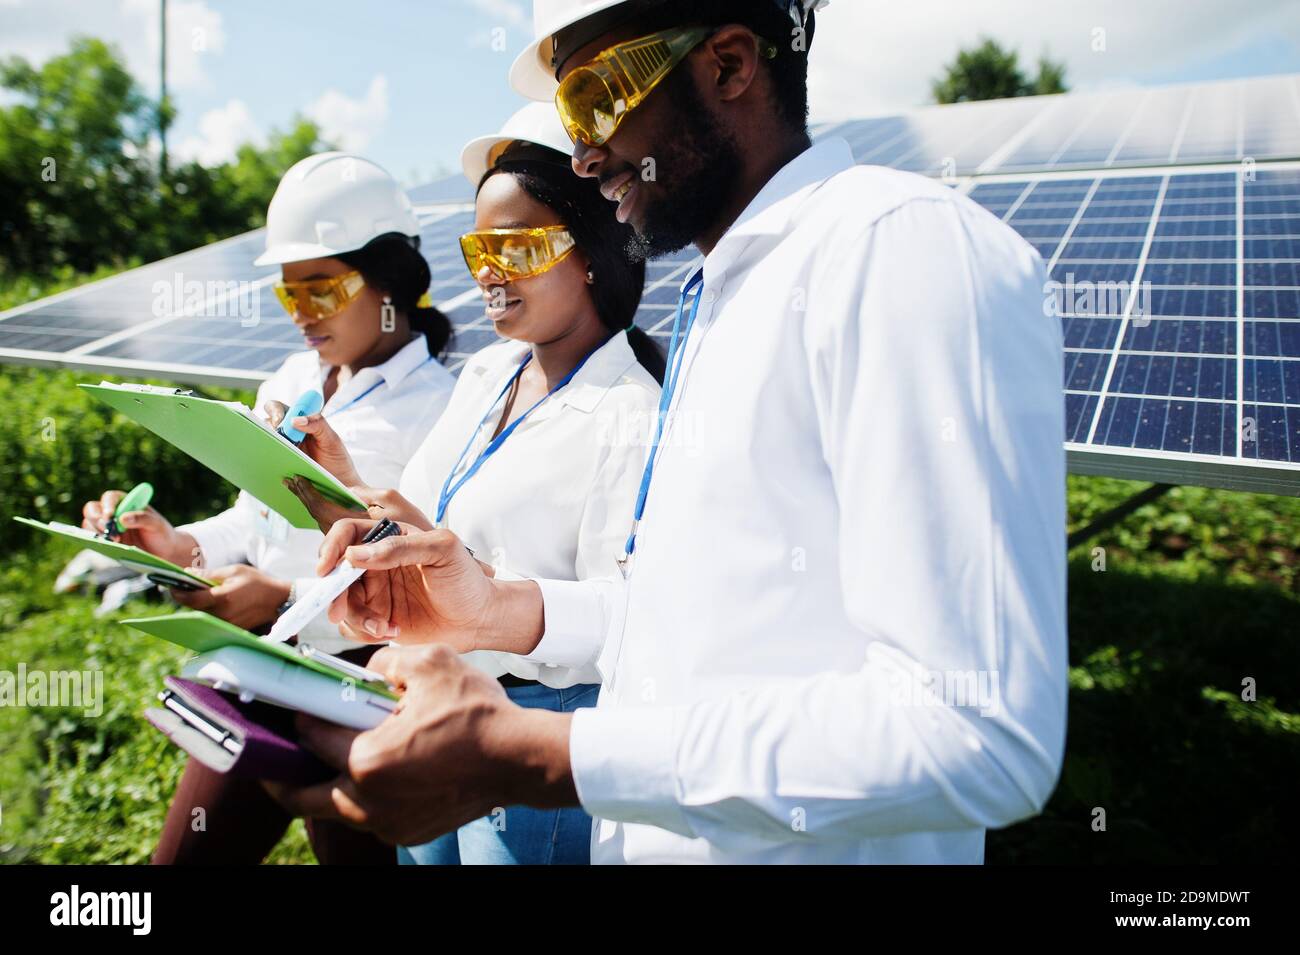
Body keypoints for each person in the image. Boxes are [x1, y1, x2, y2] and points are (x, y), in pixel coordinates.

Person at [268, 0, 1068, 865]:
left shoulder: (895, 250)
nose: (582, 154)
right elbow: (694, 621)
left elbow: (977, 731)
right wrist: (500, 607)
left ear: (727, 65)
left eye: (597, 100)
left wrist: (544, 751)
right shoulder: (726, 296)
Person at [283, 103, 663, 865]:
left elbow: (627, 625)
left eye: (517, 247)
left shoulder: (634, 413)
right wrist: (345, 486)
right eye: (480, 246)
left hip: (533, 732)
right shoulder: (490, 373)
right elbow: (426, 524)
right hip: (441, 700)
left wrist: (491, 603)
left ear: (591, 251)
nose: (489, 269)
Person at [82, 151, 456, 864]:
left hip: (364, 697)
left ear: (392, 280)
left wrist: (282, 594)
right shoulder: (290, 378)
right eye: (289, 296)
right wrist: (177, 545)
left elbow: (428, 583)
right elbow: (245, 523)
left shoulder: (439, 410)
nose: (300, 316)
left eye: (320, 291)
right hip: (265, 673)